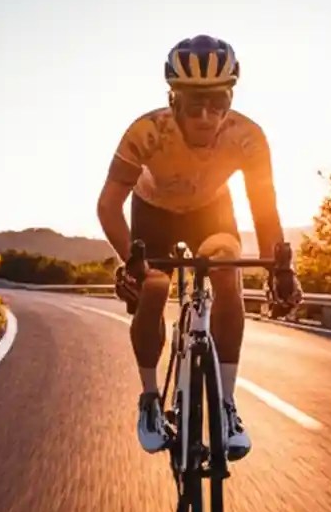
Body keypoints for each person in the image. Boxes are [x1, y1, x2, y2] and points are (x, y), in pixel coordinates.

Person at [95, 34, 303, 460]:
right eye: (195, 106)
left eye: (219, 103)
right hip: (153, 211)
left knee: (228, 274)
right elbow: (108, 205)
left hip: (211, 210)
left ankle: (227, 407)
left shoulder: (248, 136)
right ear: (174, 102)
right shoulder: (146, 131)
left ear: (230, 99)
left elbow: (264, 209)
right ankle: (150, 401)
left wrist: (281, 269)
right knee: (153, 287)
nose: (208, 117)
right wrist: (132, 264)